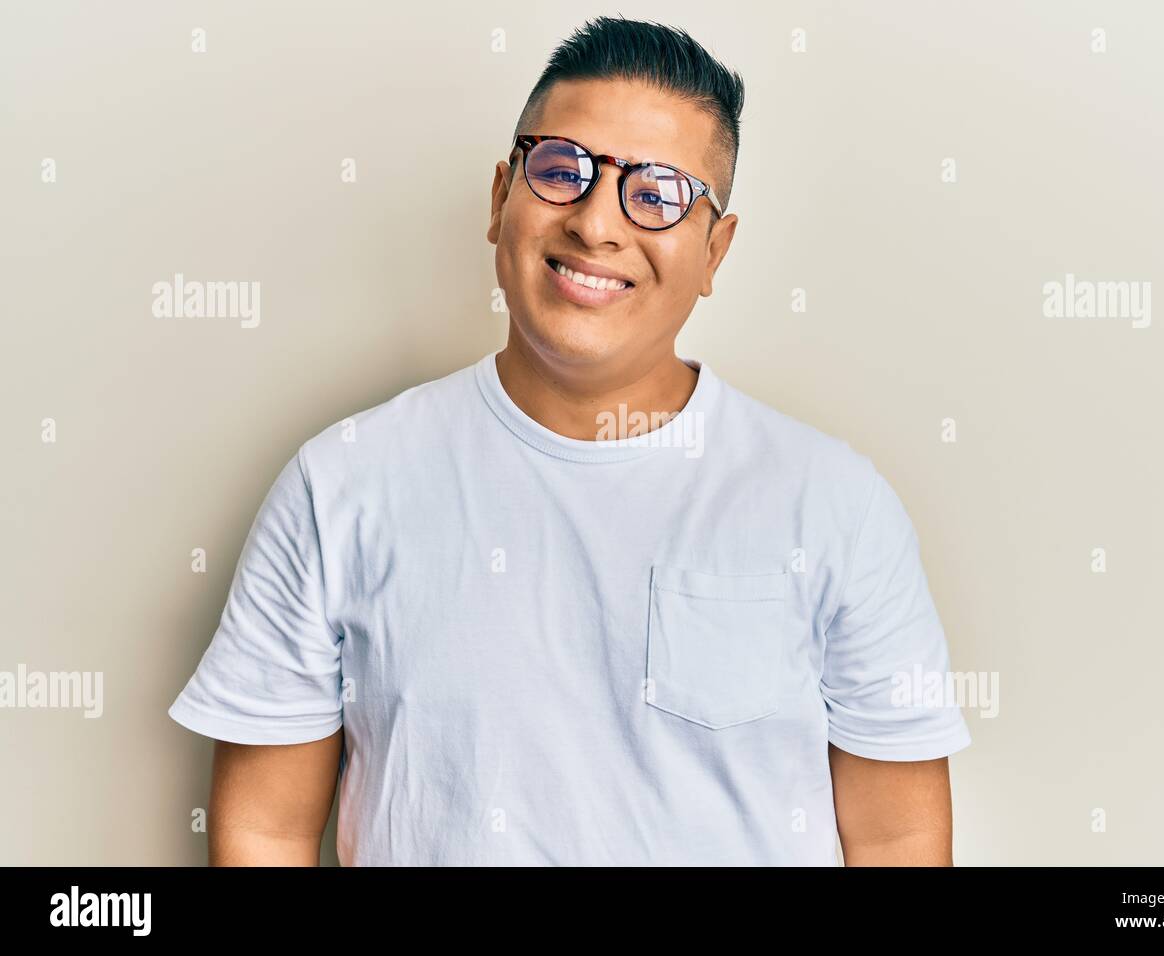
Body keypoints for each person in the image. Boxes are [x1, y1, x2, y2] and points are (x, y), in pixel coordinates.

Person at [168, 15, 971, 866]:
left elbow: (897, 837)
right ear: (499, 200)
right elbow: (267, 829)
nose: (596, 224)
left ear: (714, 252)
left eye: (657, 195)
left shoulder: (835, 506)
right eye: (561, 171)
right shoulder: (341, 487)